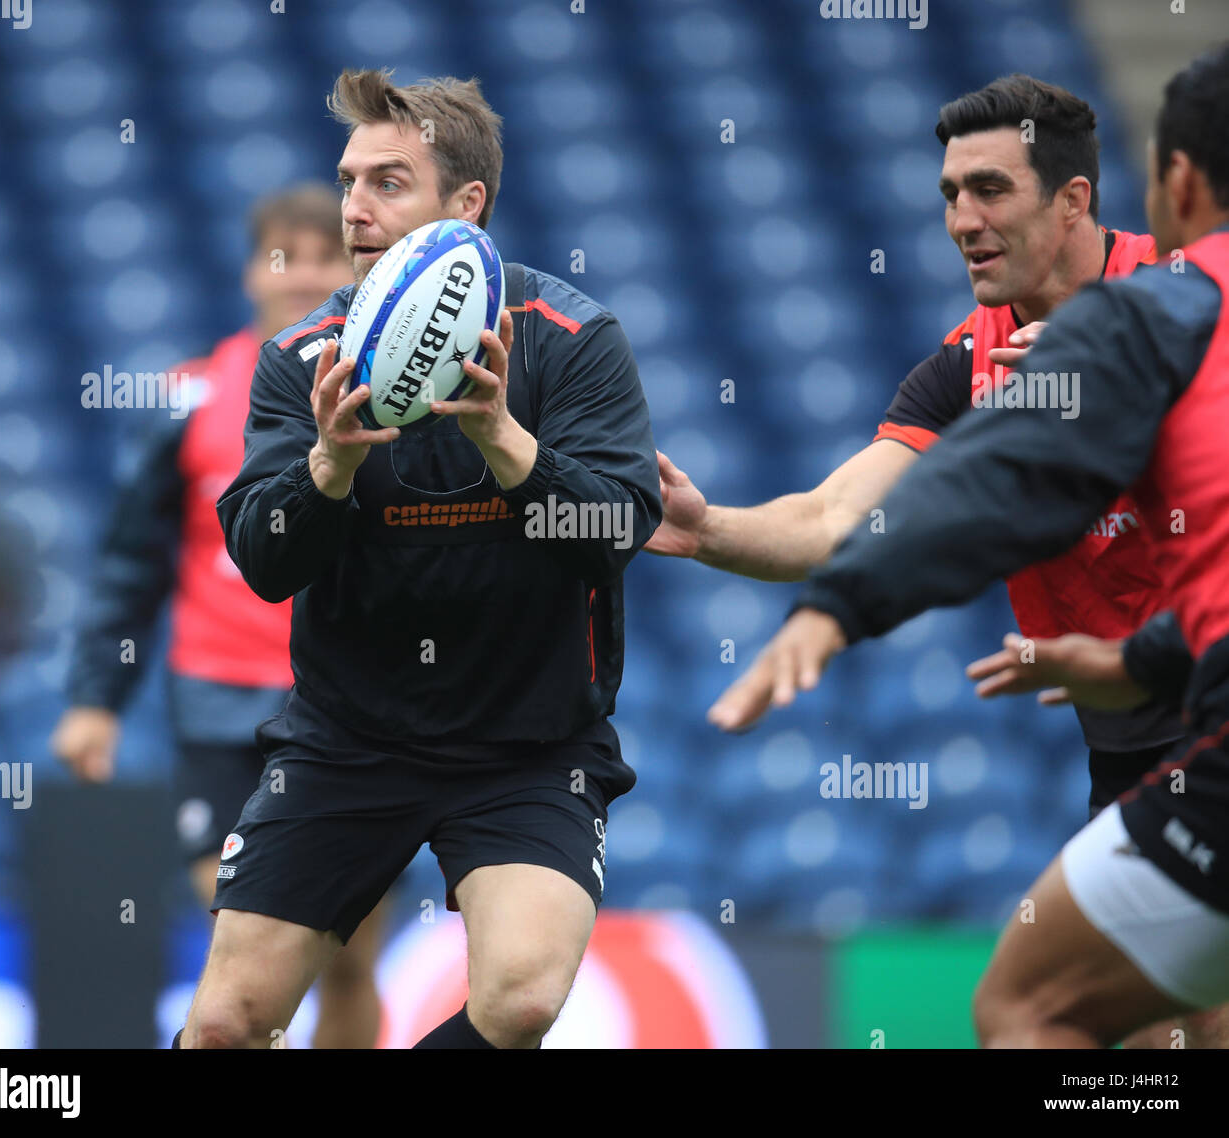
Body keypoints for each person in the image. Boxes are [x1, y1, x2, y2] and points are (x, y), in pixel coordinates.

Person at [711, 43, 1229, 1048]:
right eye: (949, 193)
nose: (961, 221)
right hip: (1130, 717)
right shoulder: (964, 365)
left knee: (1043, 1011)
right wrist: (694, 530)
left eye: (988, 189)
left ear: (1082, 197)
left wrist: (840, 610)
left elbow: (1000, 486)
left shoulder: (1164, 306)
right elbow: (830, 516)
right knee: (1146, 1033)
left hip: (1199, 717)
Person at [174, 69, 659, 1050]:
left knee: (521, 998)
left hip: (530, 747)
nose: (353, 206)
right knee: (229, 1021)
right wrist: (331, 463)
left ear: (466, 204)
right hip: (346, 740)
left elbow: (617, 530)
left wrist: (503, 443)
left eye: (386, 182)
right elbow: (265, 560)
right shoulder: (300, 357)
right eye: (348, 179)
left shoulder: (570, 340)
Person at [52, 184, 389, 1048]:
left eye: (324, 255)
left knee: (348, 960)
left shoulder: (392, 400)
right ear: (251, 272)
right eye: (284, 256)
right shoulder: (190, 398)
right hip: (217, 704)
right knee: (241, 936)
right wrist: (96, 698)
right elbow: (132, 562)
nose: (302, 273)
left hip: (354, 706)